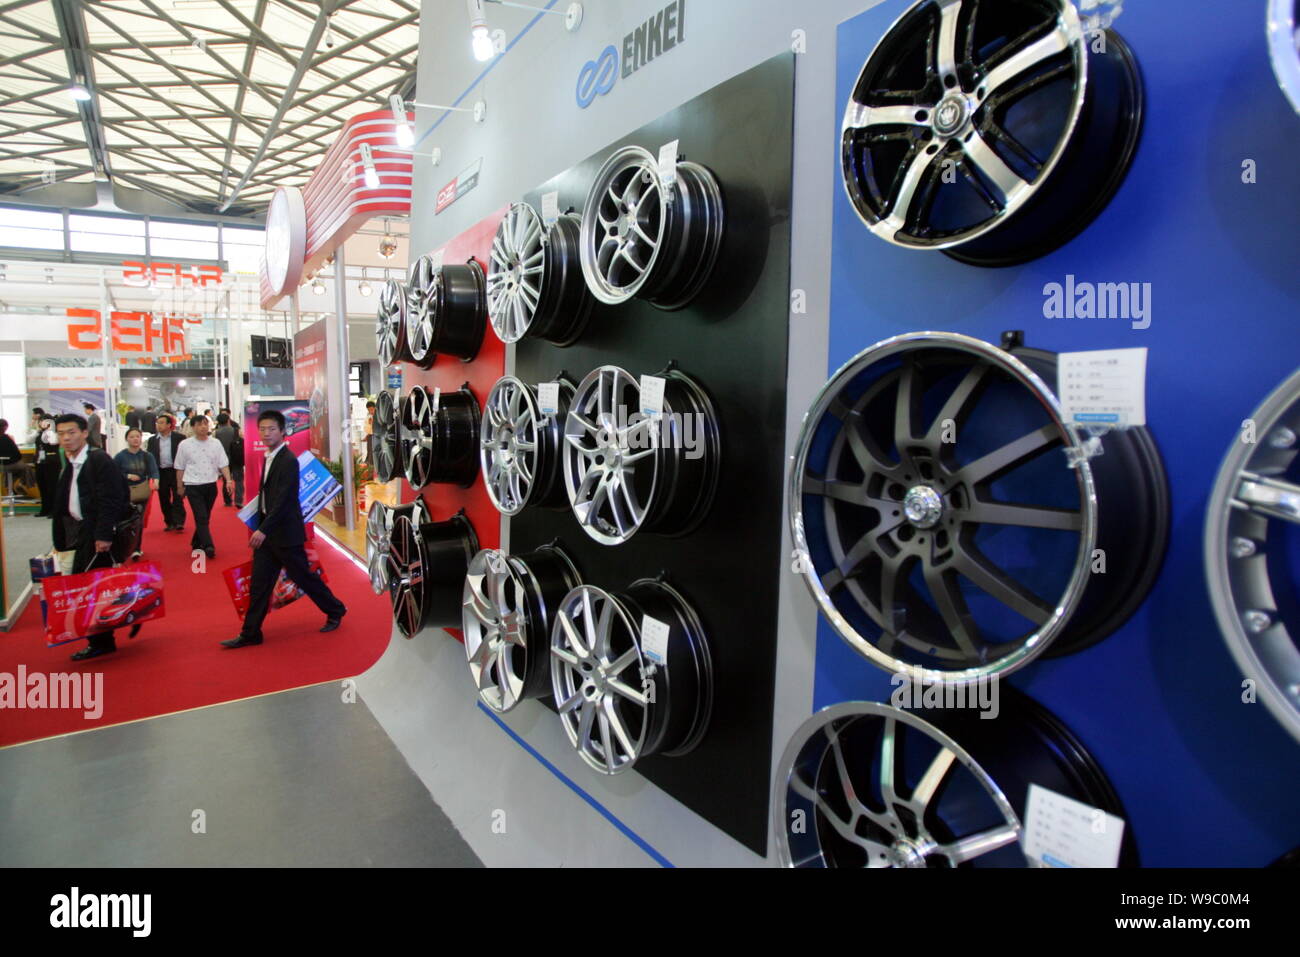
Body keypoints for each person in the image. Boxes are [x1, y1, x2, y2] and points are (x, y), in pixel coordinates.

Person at [223, 410, 346, 649]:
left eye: (271, 429)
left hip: (284, 534)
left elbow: (284, 500)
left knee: (304, 577)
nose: (266, 433)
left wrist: (262, 530)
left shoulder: (288, 460)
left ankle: (335, 609)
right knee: (260, 585)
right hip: (269, 533)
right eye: (262, 429)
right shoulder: (269, 457)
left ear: (283, 431)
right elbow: (267, 498)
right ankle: (250, 633)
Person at [51, 413, 130, 661]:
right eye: (61, 433)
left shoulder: (98, 460)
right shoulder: (71, 461)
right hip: (82, 532)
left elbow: (112, 500)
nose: (66, 437)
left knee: (90, 587)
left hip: (98, 534)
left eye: (71, 432)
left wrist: (104, 535)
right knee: (90, 586)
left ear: (85, 433)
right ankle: (103, 637)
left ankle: (102, 640)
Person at [174, 415, 230, 559]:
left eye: (205, 424)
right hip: (193, 485)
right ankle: (208, 545)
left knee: (205, 517)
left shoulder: (216, 443)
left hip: (211, 484)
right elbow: (179, 467)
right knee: (201, 516)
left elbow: (223, 463)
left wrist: (228, 480)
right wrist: (179, 486)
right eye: (199, 424)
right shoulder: (184, 445)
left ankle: (196, 541)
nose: (203, 427)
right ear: (193, 427)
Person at [113, 428, 158, 560]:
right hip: (124, 493)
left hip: (142, 492)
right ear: (127, 439)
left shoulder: (147, 456)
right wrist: (127, 476)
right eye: (132, 437)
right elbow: (114, 473)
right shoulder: (120, 456)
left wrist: (156, 481)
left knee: (138, 521)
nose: (135, 439)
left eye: (137, 436)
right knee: (124, 522)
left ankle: (136, 548)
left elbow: (154, 471)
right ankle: (123, 547)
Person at [147, 413, 186, 532]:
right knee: (163, 497)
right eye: (158, 423)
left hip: (175, 471)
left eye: (162, 423)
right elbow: (150, 457)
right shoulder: (153, 440)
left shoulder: (179, 438)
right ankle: (169, 521)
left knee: (178, 496)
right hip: (160, 472)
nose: (159, 425)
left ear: (169, 425)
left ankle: (179, 521)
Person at [31, 409, 60, 517]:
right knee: (42, 486)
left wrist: (48, 431)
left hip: (51, 462)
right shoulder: (39, 433)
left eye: (42, 421)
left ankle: (54, 510)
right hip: (40, 462)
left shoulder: (53, 433)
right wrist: (34, 426)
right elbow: (28, 439)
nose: (40, 423)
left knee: (52, 486)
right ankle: (45, 508)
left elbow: (53, 442)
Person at [214, 412, 244, 507]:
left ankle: (227, 501)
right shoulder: (237, 431)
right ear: (228, 420)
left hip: (223, 460)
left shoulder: (216, 433)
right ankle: (238, 500)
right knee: (239, 480)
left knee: (226, 480)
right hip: (237, 458)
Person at [0, 419, 36, 496]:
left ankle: (10, 488)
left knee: (12, 471)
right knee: (26, 468)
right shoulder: (8, 438)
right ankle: (20, 483)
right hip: (12, 464)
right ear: (5, 427)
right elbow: (17, 453)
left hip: (2, 466)